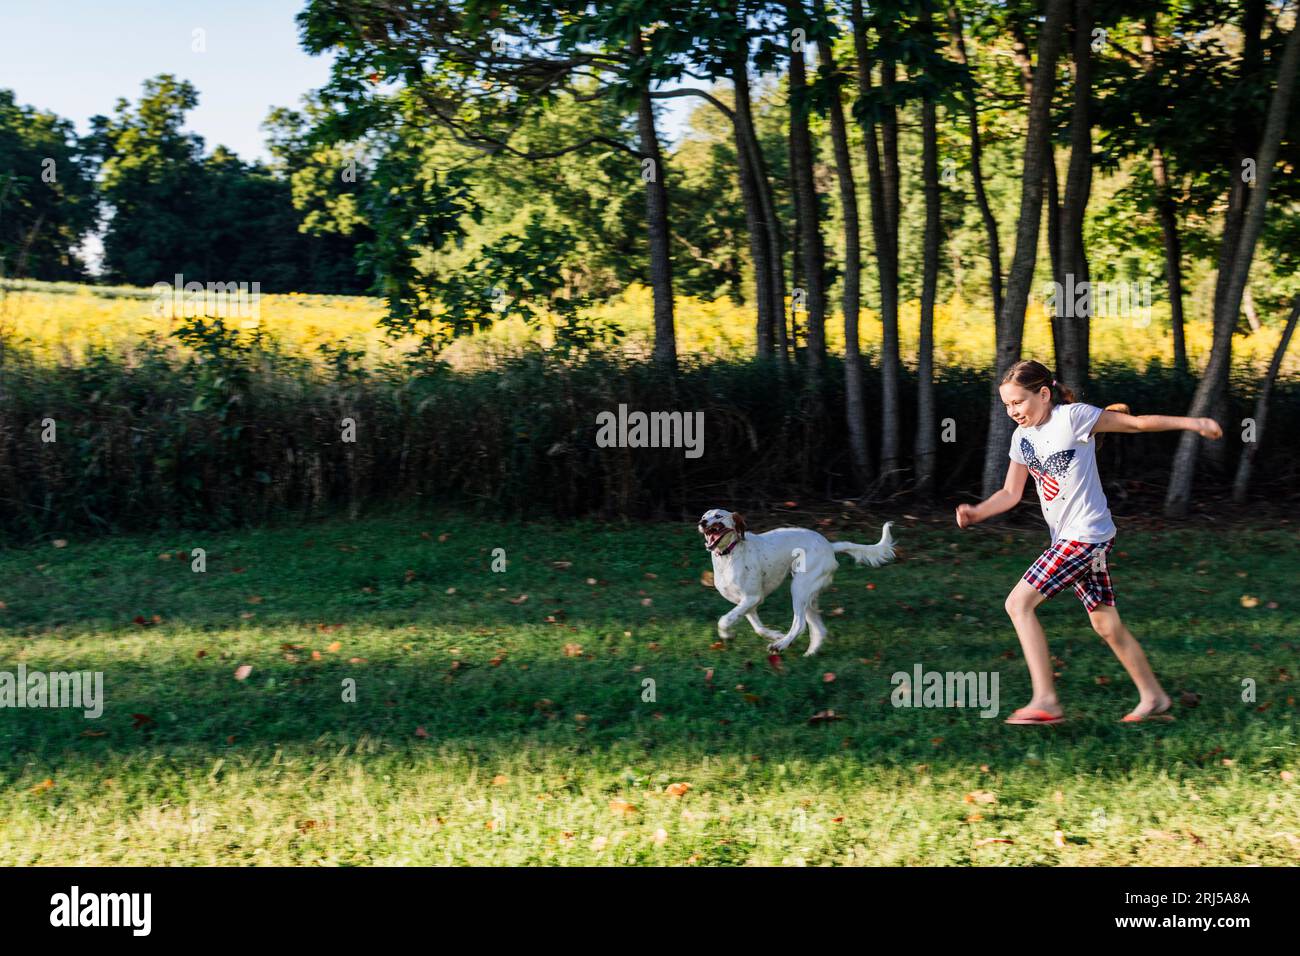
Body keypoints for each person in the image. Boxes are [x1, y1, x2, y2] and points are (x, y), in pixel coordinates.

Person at [955, 360, 1224, 724]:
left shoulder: (1073, 417)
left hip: (1086, 536)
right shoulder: (1022, 438)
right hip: (1078, 540)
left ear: (1044, 394)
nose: (1012, 411)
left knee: (1018, 603)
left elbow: (1138, 423)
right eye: (1007, 405)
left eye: (1018, 402)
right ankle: (1154, 698)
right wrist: (977, 512)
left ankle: (1046, 700)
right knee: (1105, 624)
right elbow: (1009, 492)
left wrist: (1194, 423)